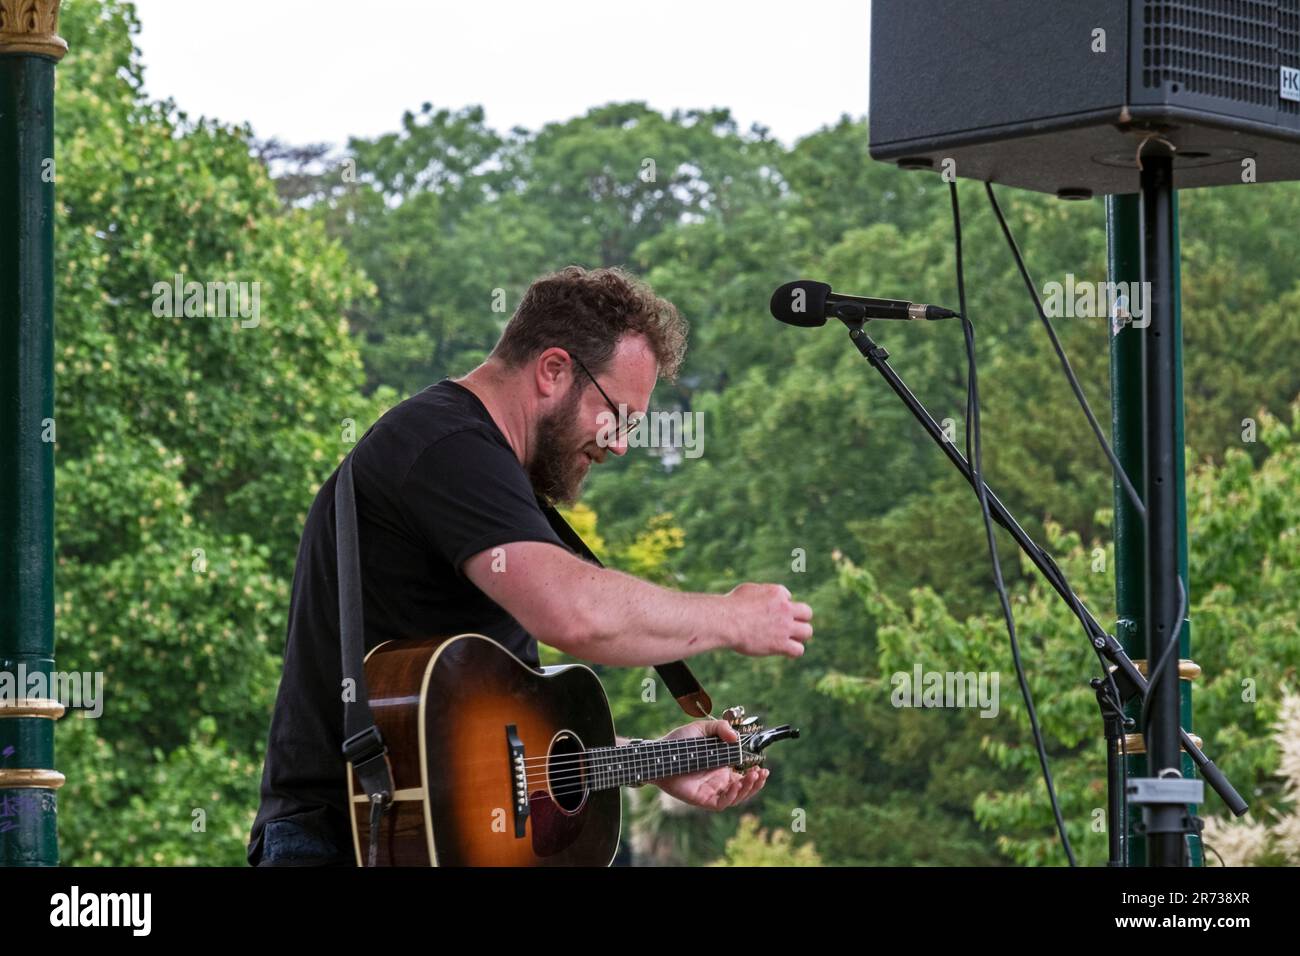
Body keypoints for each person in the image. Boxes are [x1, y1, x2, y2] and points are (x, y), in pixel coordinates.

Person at [247, 265, 813, 866]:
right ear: (553, 370)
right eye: (618, 415)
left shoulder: (495, 479)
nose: (619, 443)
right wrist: (731, 616)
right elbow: (573, 615)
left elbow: (501, 757)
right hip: (343, 843)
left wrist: (653, 759)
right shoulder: (446, 448)